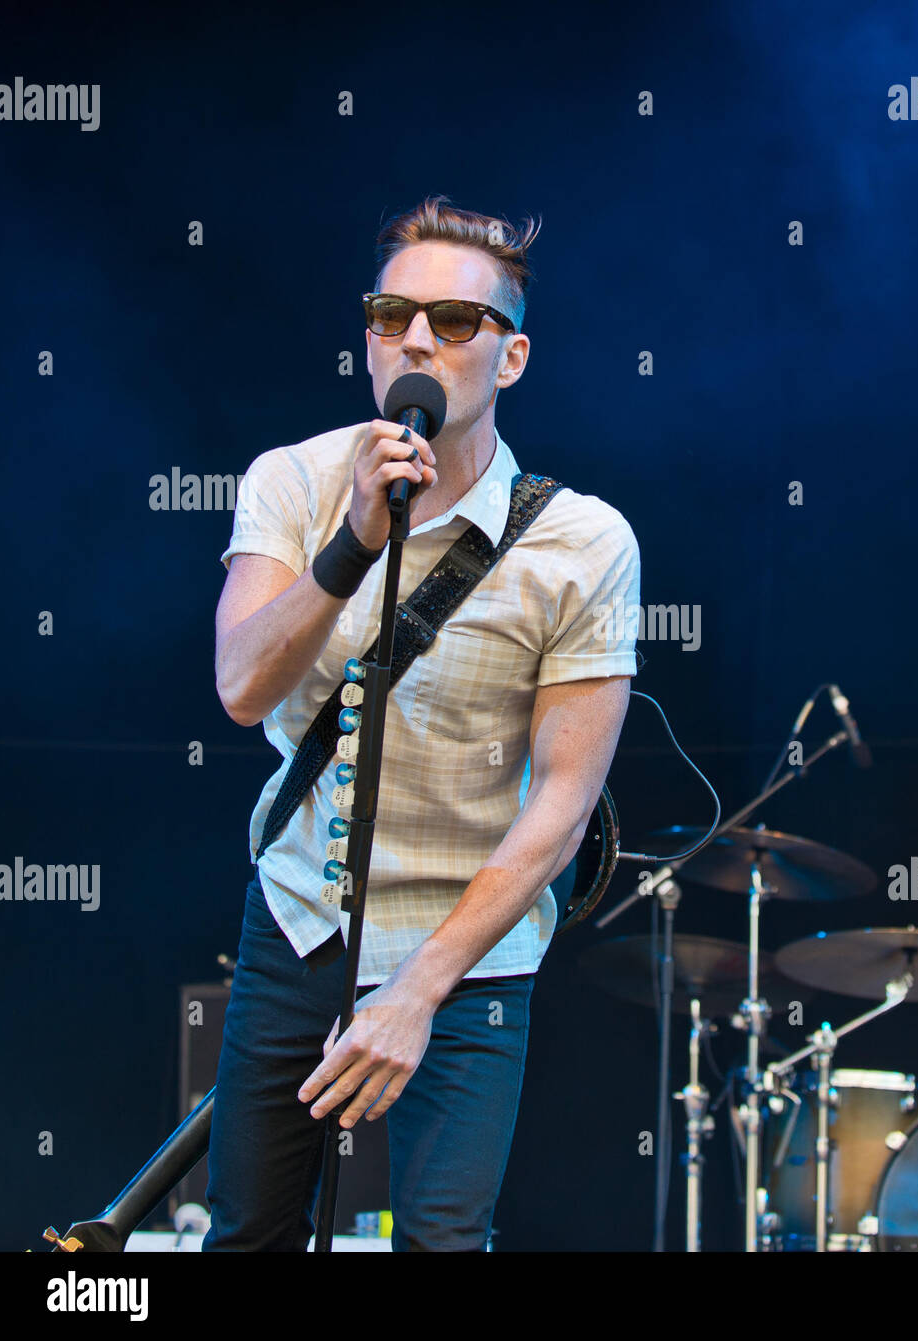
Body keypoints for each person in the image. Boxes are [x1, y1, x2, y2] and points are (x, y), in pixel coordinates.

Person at [204, 196, 640, 1251]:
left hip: (467, 949)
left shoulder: (584, 542)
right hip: (302, 914)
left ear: (513, 356)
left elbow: (565, 803)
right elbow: (242, 689)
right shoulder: (295, 480)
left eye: (453, 322)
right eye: (392, 314)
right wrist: (350, 542)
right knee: (247, 1232)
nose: (415, 340)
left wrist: (416, 991)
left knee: (440, 1240)